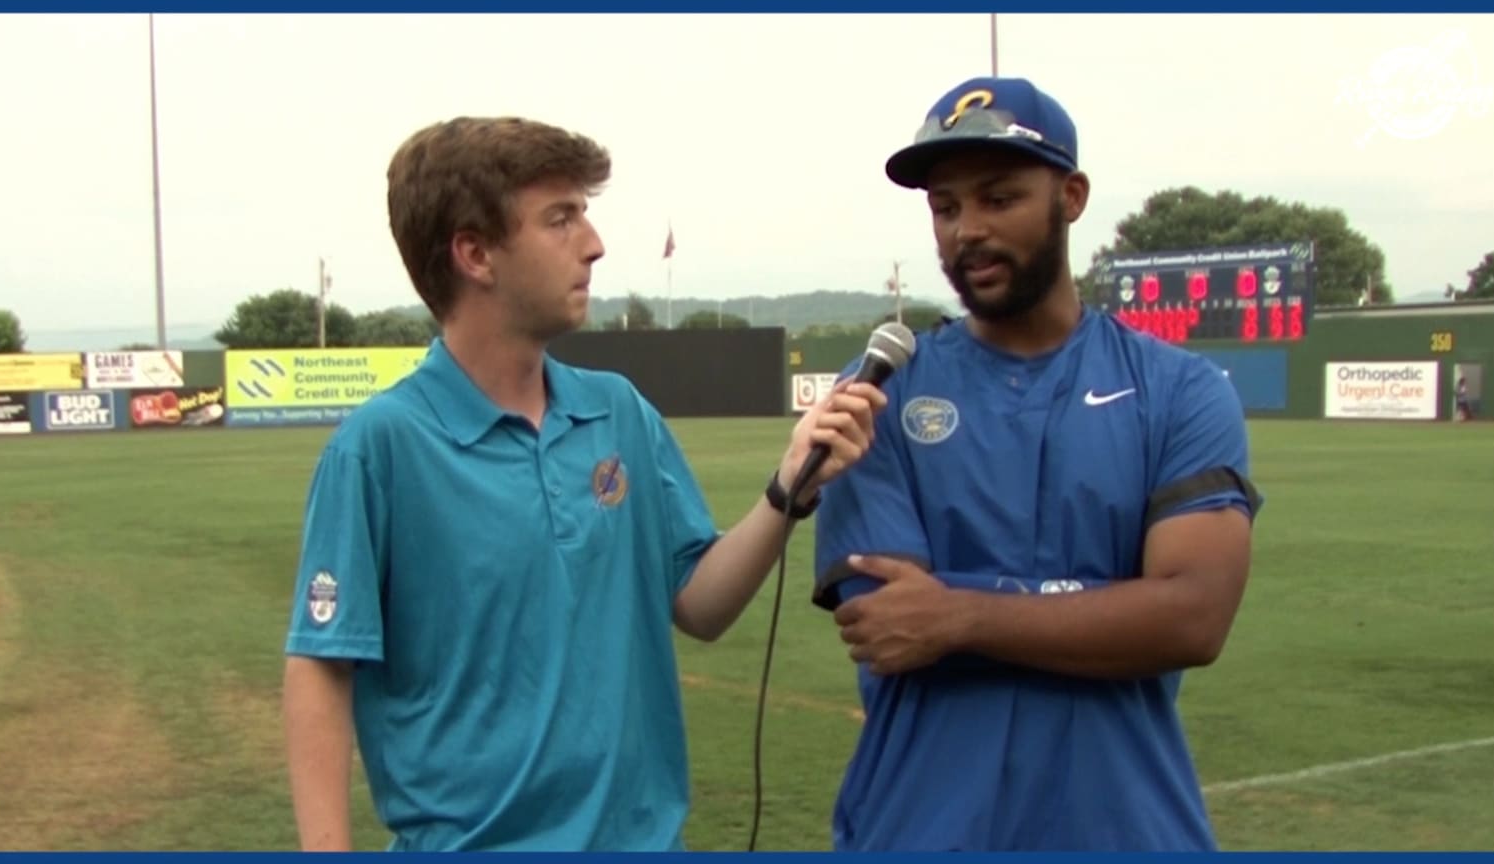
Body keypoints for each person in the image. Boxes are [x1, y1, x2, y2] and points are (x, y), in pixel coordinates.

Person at [279, 116, 887, 852]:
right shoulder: (380, 449)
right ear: (475, 253)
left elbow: (698, 604)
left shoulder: (618, 411)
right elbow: (322, 664)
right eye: (560, 219)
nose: (593, 243)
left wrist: (789, 488)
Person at [810, 77, 1263, 852]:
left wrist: (960, 613)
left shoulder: (1180, 390)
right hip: (919, 828)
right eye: (946, 208)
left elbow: (1192, 617)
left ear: (1072, 195)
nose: (968, 231)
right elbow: (888, 622)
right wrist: (1105, 604)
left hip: (1123, 830)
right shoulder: (880, 388)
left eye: (999, 198)